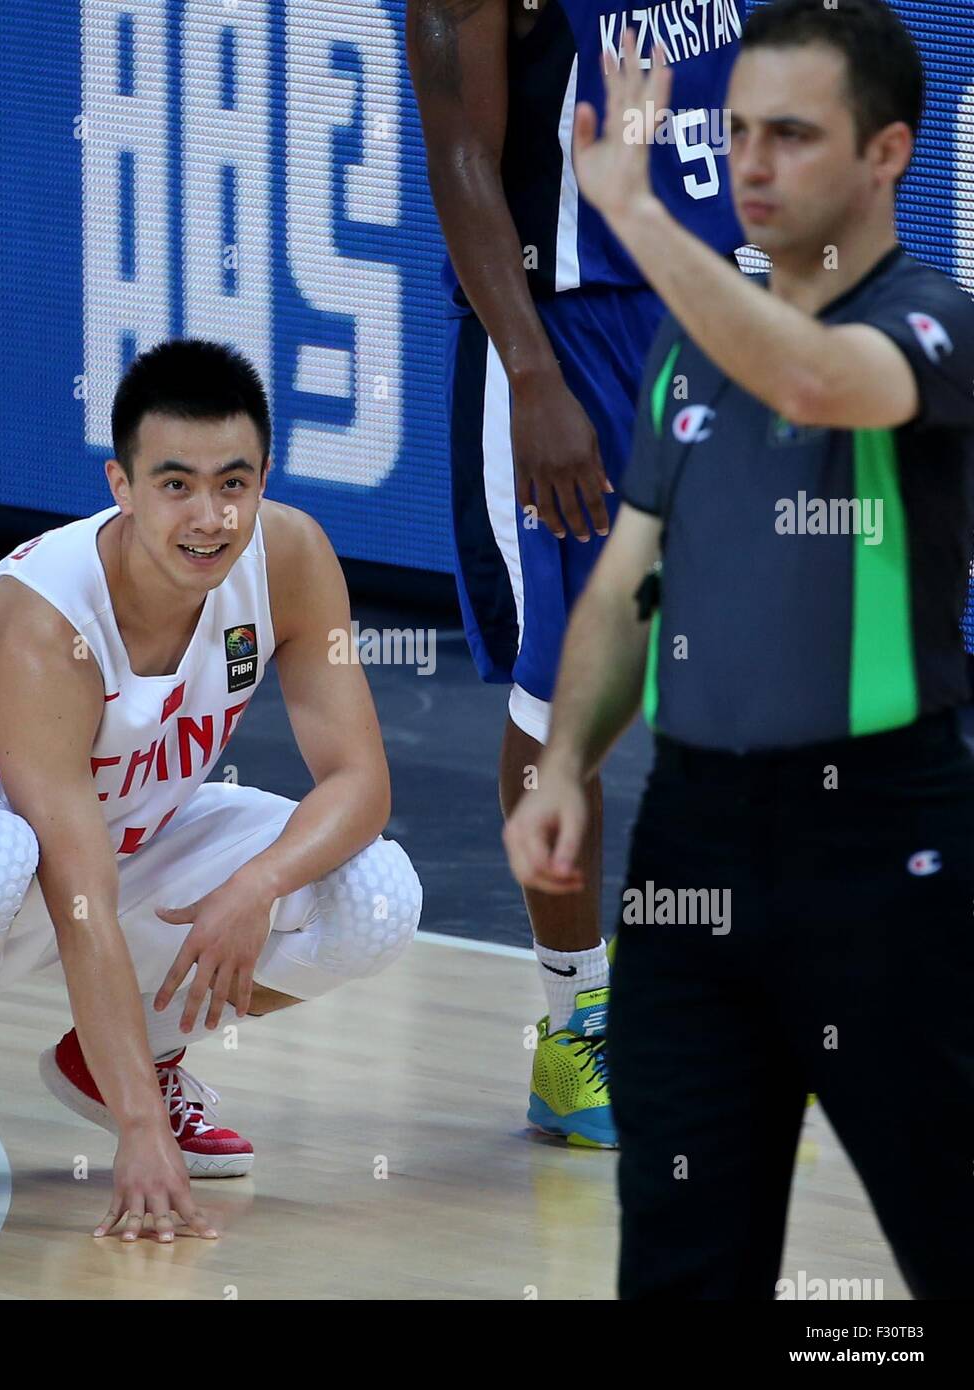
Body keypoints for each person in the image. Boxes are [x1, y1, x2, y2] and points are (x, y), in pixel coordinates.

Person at [504, 0, 974, 1297]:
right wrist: (560, 767)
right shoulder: (685, 358)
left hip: (884, 847)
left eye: (792, 136)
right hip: (693, 853)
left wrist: (636, 213)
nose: (752, 165)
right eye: (737, 132)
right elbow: (620, 585)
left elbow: (818, 380)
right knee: (680, 1261)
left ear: (887, 153)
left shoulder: (932, 322)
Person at [0, 339, 422, 1243]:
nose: (210, 516)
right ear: (121, 484)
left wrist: (255, 886)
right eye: (175, 484)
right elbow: (79, 897)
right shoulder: (46, 621)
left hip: (135, 830)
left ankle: (120, 1057)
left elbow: (361, 781)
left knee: (377, 897)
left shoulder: (293, 555)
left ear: (265, 477)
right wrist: (142, 1132)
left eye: (234, 483)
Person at [406, 0, 747, 1148]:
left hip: (705, 306)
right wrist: (529, 373)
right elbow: (457, 146)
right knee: (571, 701)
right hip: (567, 336)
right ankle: (574, 1024)